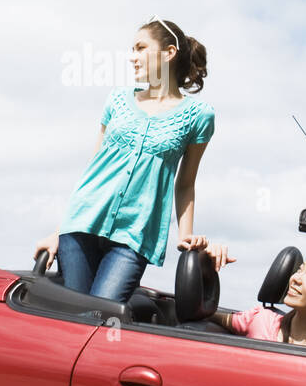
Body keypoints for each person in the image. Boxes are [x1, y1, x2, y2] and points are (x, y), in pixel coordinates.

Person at [33, 16, 224, 303]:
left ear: (169, 53)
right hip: (81, 225)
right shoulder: (118, 100)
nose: (132, 57)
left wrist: (187, 236)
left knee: (100, 317)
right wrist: (59, 232)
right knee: (73, 320)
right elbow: (94, 167)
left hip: (135, 237)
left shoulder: (199, 116)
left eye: (140, 48)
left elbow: (185, 184)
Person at [203, 245, 306, 352]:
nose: (295, 278)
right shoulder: (261, 320)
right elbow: (200, 311)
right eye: (300, 270)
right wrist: (204, 259)